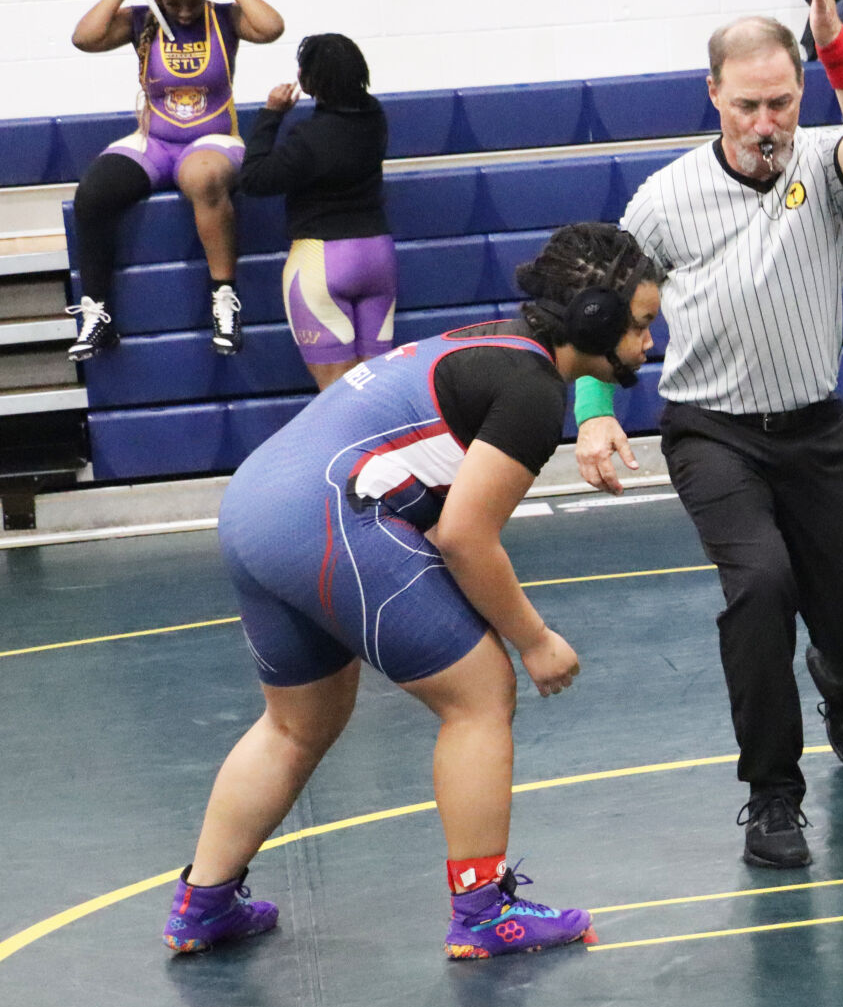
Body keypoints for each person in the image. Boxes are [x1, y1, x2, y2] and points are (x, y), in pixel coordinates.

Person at [161, 224, 663, 960]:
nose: (648, 342)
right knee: (481, 692)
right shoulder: (529, 391)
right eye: (642, 324)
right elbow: (464, 535)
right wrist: (534, 640)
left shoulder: (495, 342)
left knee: (298, 723)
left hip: (253, 507)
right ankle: (485, 912)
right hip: (320, 513)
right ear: (593, 319)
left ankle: (202, 903)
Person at [572, 0, 843, 871]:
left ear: (803, 92)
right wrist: (596, 408)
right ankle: (772, 794)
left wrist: (841, 49)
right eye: (747, 105)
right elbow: (594, 306)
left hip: (815, 428)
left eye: (782, 102)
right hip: (712, 430)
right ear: (713, 96)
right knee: (759, 585)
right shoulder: (665, 198)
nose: (766, 122)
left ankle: (841, 679)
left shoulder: (823, 171)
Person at [67, 0, 284, 361]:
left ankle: (224, 299)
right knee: (93, 192)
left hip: (212, 140)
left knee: (202, 178)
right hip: (156, 142)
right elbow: (84, 38)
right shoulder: (141, 21)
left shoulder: (223, 18)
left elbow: (272, 26)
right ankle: (98, 316)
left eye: (193, 1)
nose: (184, 12)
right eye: (174, 2)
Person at [238, 34, 396, 389]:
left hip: (322, 260)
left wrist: (270, 116)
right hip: (377, 255)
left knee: (339, 395)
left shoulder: (308, 137)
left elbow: (254, 179)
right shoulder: (375, 117)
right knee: (378, 388)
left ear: (308, 80)